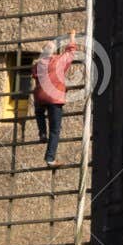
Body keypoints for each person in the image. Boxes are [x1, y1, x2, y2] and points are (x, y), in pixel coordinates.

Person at [30, 32, 78, 167]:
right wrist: (72, 36)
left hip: (40, 96)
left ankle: (42, 133)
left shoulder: (37, 64)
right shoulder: (58, 60)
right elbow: (70, 52)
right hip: (54, 98)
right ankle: (50, 158)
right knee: (55, 130)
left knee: (39, 112)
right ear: (53, 51)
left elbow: (34, 74)